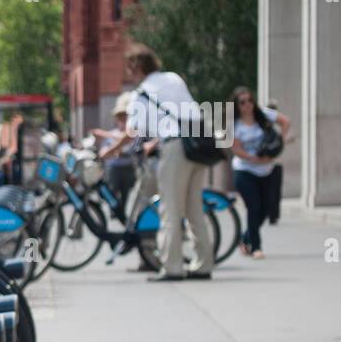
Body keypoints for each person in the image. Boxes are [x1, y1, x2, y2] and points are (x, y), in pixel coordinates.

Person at [123, 43, 214, 281]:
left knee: (170, 209)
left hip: (175, 147)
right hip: (197, 142)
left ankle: (172, 266)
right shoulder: (173, 79)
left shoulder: (141, 93)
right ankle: (203, 264)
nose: (128, 74)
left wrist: (111, 150)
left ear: (137, 67)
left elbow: (133, 130)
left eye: (129, 69)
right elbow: (184, 112)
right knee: (195, 208)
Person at [227, 87, 292, 258]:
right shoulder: (234, 123)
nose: (247, 105)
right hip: (245, 169)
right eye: (242, 102)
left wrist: (280, 143)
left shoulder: (262, 114)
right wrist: (255, 159)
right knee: (254, 206)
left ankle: (244, 238)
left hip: (267, 169)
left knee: (266, 209)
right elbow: (237, 149)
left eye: (250, 100)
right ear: (236, 105)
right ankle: (256, 247)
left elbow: (286, 122)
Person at [92, 92, 138, 211]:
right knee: (112, 189)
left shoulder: (137, 125)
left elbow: (130, 138)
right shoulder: (115, 132)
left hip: (128, 167)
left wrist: (110, 147)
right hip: (115, 168)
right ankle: (116, 211)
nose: (122, 120)